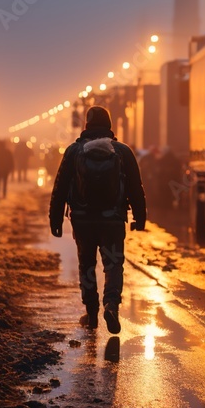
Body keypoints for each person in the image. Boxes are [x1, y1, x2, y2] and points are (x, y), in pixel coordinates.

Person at [49, 105, 146, 334]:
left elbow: (60, 187)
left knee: (87, 265)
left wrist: (55, 220)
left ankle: (91, 313)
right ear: (109, 126)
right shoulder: (122, 151)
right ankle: (111, 305)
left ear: (87, 126)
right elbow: (135, 187)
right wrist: (140, 218)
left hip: (83, 221)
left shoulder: (74, 151)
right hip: (112, 221)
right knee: (113, 264)